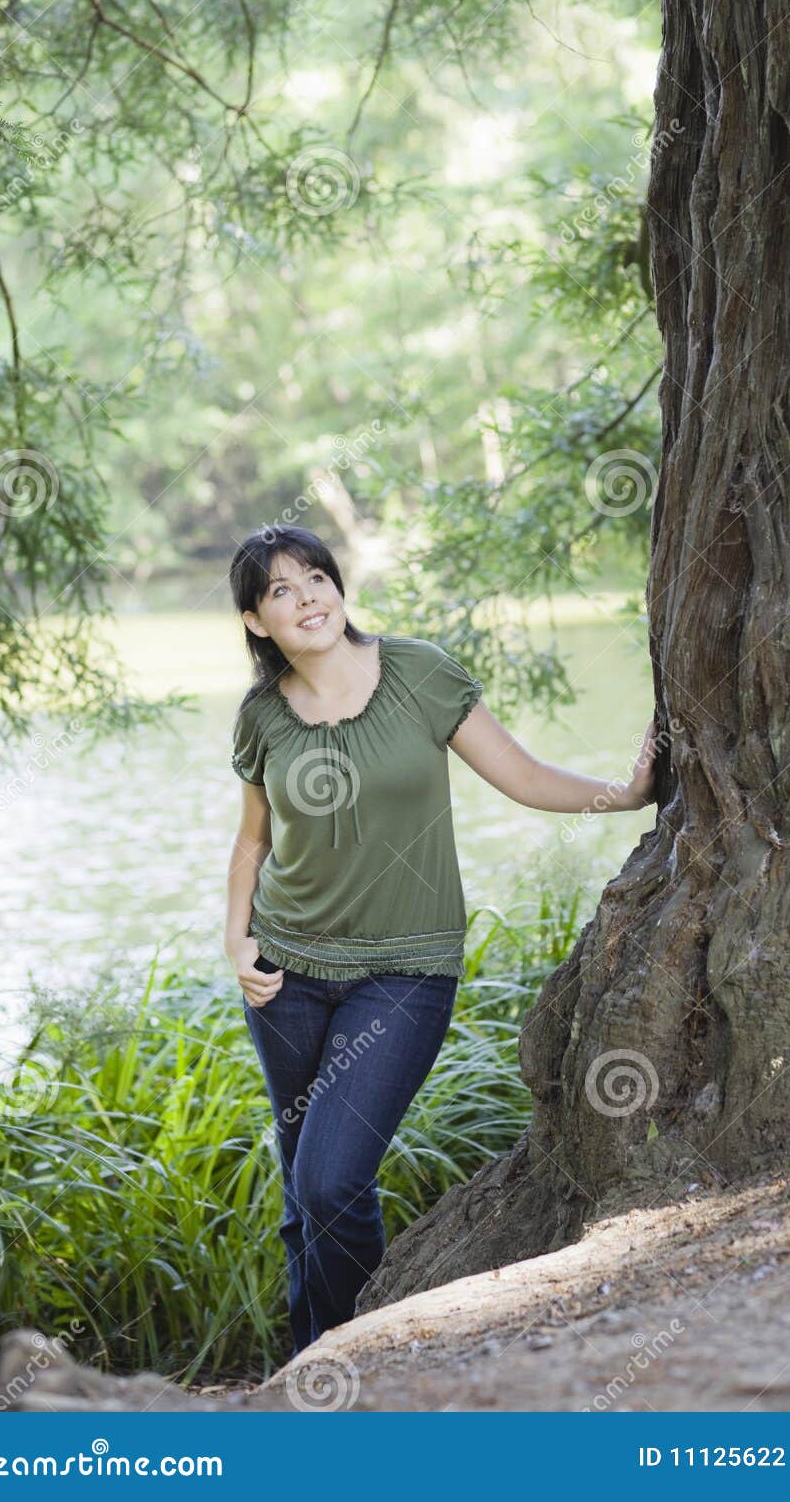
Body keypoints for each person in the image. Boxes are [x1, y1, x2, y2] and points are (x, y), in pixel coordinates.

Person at [225, 523, 656, 1358]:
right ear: (255, 620)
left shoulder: (419, 673)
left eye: (316, 578)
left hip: (404, 972)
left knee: (331, 1180)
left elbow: (523, 776)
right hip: (284, 974)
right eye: (280, 590)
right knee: (302, 1187)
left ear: (337, 588)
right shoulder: (261, 716)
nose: (306, 598)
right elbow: (253, 839)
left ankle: (357, 1359)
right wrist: (236, 943)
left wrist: (628, 793)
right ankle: (310, 1369)